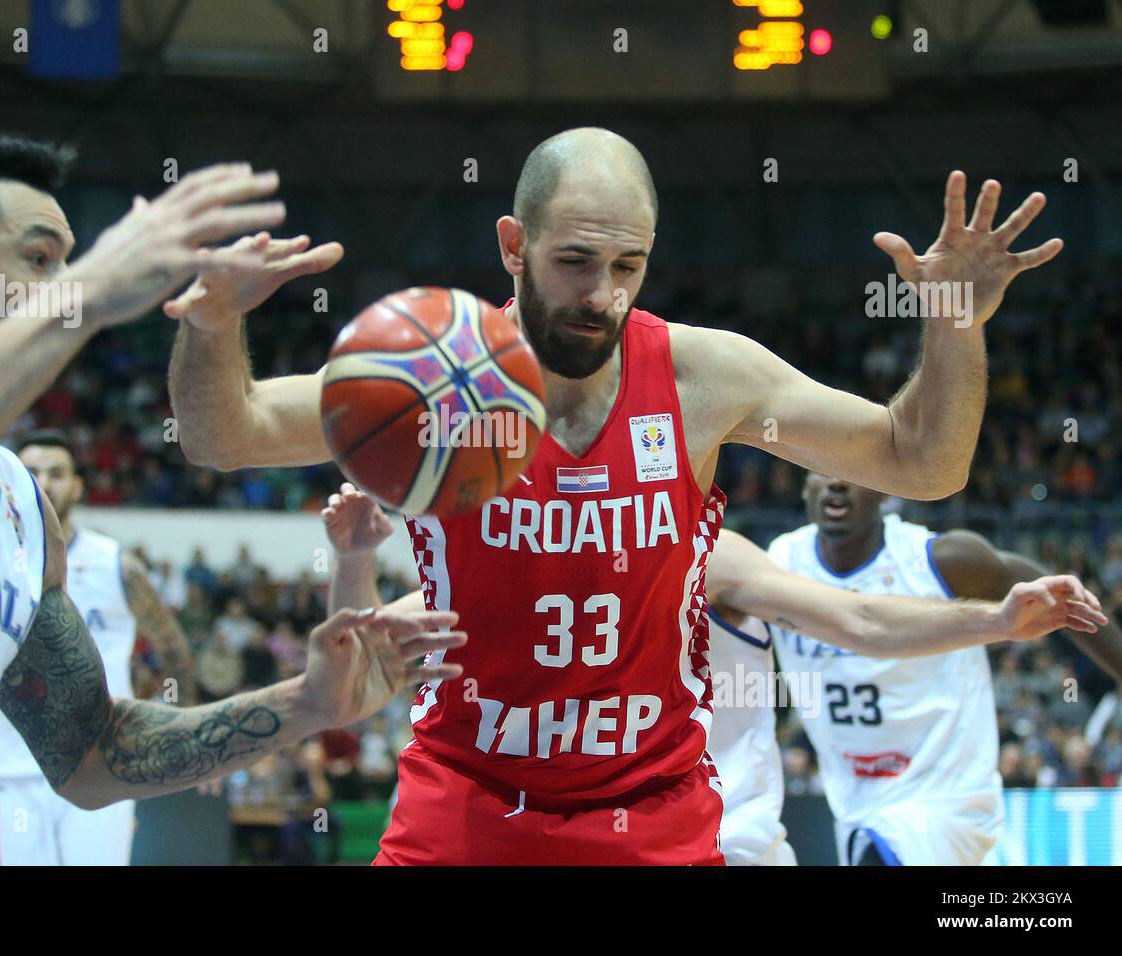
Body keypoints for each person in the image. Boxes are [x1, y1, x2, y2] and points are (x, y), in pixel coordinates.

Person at [167, 126, 1063, 865]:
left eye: (629, 264)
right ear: (513, 246)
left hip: (655, 809)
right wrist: (212, 324)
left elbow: (923, 463)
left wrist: (953, 327)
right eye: (576, 261)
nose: (604, 295)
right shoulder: (436, 376)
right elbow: (224, 434)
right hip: (468, 800)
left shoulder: (702, 376)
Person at [0, 120, 462, 864]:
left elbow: (93, 753)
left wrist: (306, 703)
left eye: (69, 265)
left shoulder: (20, 506)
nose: (60, 285)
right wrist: (91, 294)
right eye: (38, 260)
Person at [318, 482, 1106, 864]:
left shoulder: (718, 556)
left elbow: (860, 619)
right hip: (586, 838)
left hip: (727, 838)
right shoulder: (526, 560)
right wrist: (354, 563)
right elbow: (363, 670)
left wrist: (995, 622)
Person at [766, 473, 1122, 864]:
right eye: (821, 470)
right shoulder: (779, 565)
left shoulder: (942, 561)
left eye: (851, 472)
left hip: (946, 793)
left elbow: (1066, 601)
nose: (836, 483)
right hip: (854, 800)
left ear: (884, 488)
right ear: (804, 487)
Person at [0, 428, 196, 865]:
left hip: (103, 765)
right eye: (32, 472)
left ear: (78, 485)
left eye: (57, 473)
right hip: (15, 767)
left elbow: (173, 649)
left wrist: (183, 730)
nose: (44, 483)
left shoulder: (116, 565)